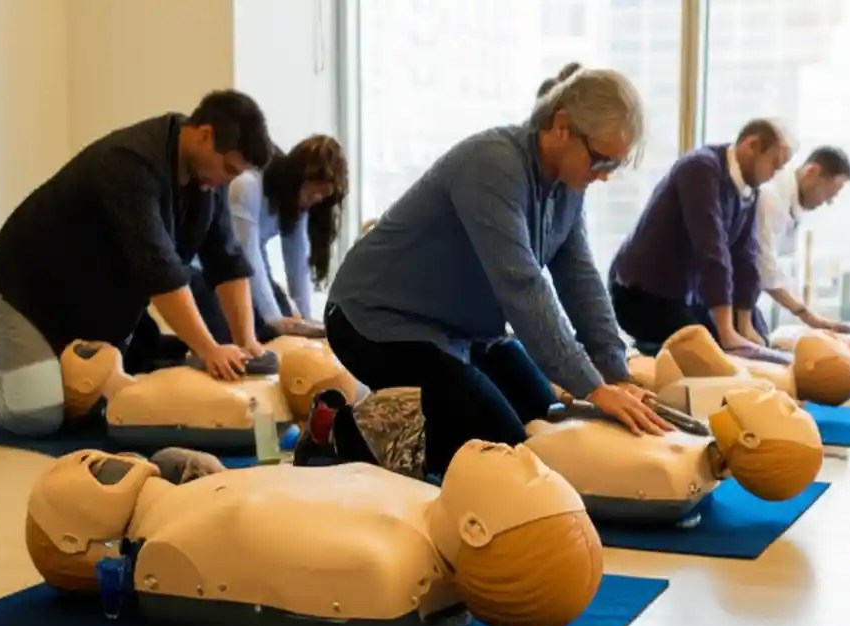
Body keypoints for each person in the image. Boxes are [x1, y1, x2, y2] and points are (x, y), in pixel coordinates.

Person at [323, 62, 672, 479]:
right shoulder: (493, 164)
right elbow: (522, 287)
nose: (603, 177)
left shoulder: (566, 188)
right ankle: (335, 432)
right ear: (561, 126)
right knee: (503, 444)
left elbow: (580, 281)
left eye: (612, 167)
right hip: (376, 323)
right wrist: (593, 387)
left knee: (543, 415)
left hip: (463, 333)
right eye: (600, 161)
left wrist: (615, 375)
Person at [0, 90, 274, 436]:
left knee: (96, 409)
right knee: (38, 415)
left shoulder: (208, 178)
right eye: (229, 169)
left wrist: (248, 342)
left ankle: (6, 356)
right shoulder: (129, 162)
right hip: (26, 289)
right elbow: (158, 269)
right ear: (205, 135)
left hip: (88, 297)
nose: (228, 181)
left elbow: (227, 259)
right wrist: (207, 348)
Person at [608, 119, 792, 352]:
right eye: (773, 165)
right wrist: (726, 333)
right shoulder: (700, 168)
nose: (773, 175)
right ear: (752, 145)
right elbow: (711, 247)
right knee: (708, 352)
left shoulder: (750, 190)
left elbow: (746, 256)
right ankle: (648, 353)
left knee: (755, 337)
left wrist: (744, 326)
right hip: (642, 294)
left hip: (687, 295)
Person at [228, 134, 349, 330]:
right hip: (214, 267)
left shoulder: (298, 205)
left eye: (323, 194)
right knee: (259, 326)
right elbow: (248, 256)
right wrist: (273, 320)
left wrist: (306, 320)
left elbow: (298, 263)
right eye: (313, 189)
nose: (316, 198)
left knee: (286, 317)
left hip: (248, 265)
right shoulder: (248, 185)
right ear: (296, 177)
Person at [755, 145, 850, 332]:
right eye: (829, 194)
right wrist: (808, 315)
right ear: (811, 172)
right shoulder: (771, 197)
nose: (828, 202)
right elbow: (766, 268)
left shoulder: (791, 203)